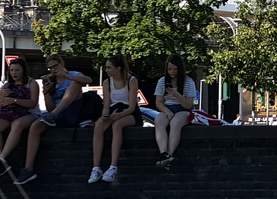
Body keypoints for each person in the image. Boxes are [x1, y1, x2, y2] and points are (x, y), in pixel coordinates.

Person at [12, 54, 90, 185]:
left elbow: (88, 80)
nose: (53, 70)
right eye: (50, 68)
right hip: (54, 115)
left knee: (76, 84)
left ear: (62, 63)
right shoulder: (51, 80)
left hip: (71, 111)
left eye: (55, 66)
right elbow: (49, 107)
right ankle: (28, 168)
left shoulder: (74, 75)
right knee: (35, 126)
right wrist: (46, 93)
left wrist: (67, 76)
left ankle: (55, 115)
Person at [87, 54, 141, 183]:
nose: (106, 70)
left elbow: (132, 107)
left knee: (117, 125)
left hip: (129, 113)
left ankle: (113, 166)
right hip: (113, 110)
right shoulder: (107, 83)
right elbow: (106, 105)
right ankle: (96, 167)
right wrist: (105, 115)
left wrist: (118, 116)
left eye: (109, 67)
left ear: (118, 68)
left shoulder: (131, 80)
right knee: (99, 125)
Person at [0, 56, 40, 178]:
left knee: (17, 124)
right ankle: (1, 161)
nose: (14, 73)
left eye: (17, 70)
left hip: (29, 113)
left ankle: (1, 160)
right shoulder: (7, 85)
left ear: (23, 71)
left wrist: (14, 100)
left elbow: (33, 103)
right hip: (9, 114)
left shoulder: (32, 83)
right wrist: (1, 95)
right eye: (12, 70)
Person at [151, 54, 198, 169]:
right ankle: (163, 153)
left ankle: (170, 154)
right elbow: (158, 102)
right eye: (170, 69)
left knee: (176, 123)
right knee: (159, 120)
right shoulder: (162, 81)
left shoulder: (188, 82)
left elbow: (188, 104)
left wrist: (177, 95)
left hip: (183, 110)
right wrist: (166, 111)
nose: (172, 72)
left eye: (175, 69)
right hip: (168, 108)